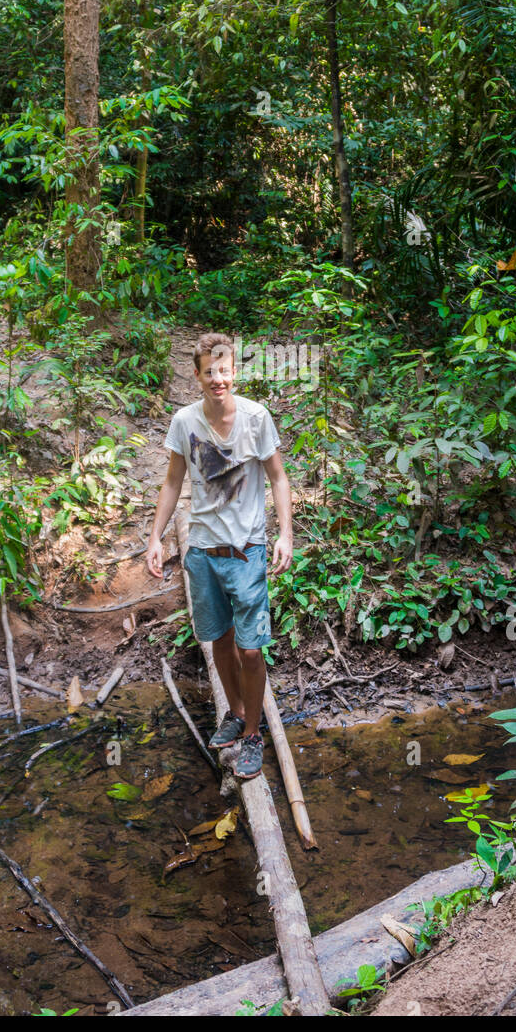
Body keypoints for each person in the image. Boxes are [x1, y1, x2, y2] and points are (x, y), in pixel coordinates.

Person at [146, 331, 293, 779]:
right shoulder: (184, 422)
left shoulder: (255, 418)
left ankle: (252, 734)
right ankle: (234, 712)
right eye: (208, 371)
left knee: (251, 650)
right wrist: (154, 538)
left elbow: (279, 479)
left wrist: (285, 533)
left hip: (247, 550)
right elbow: (172, 482)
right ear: (197, 375)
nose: (217, 378)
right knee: (220, 641)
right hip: (203, 550)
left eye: (224, 370)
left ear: (235, 372)